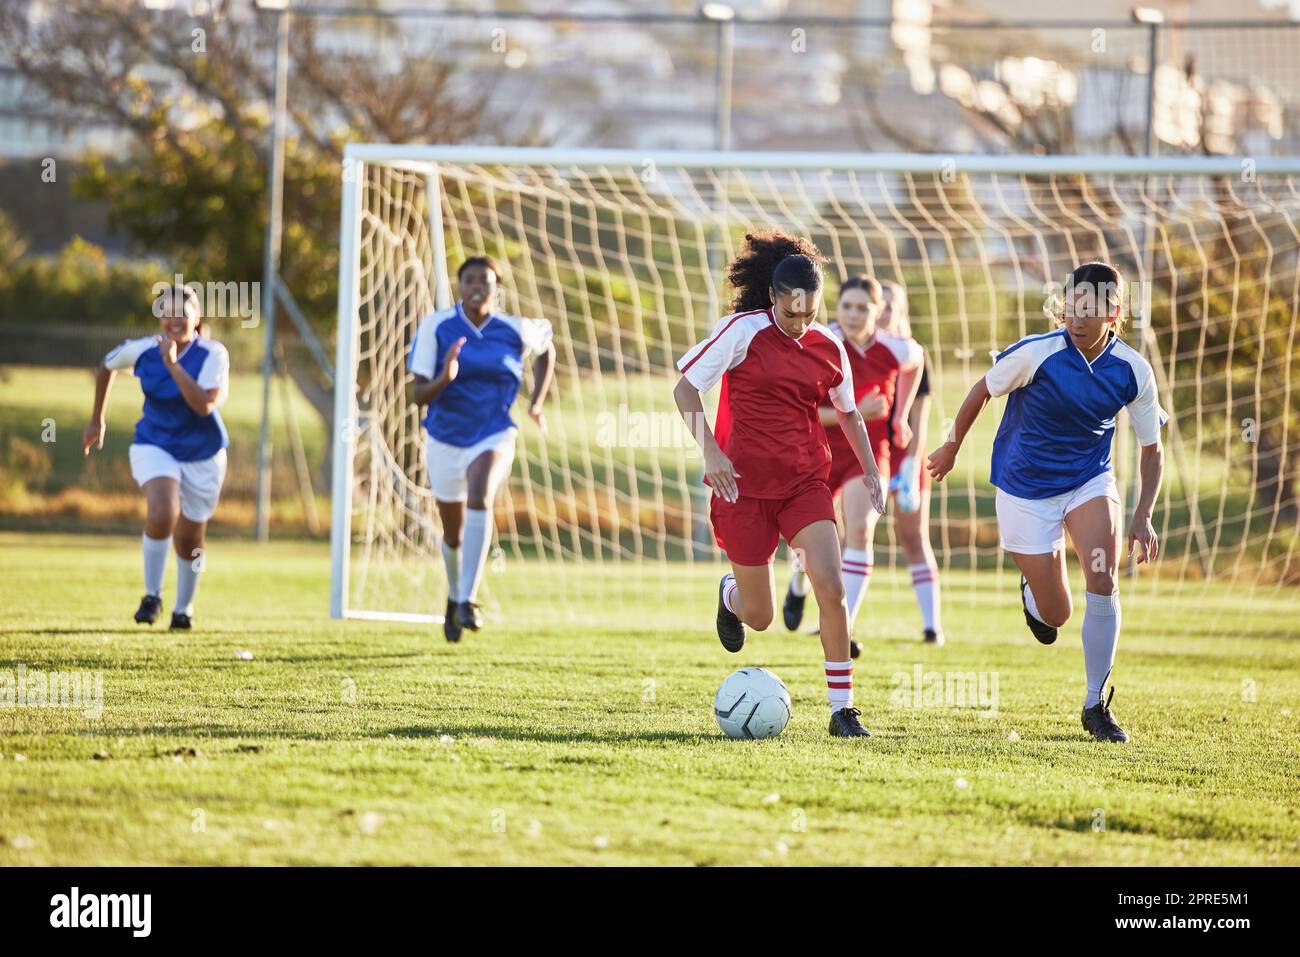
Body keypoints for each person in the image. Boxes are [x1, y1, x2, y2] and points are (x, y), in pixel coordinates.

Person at [926, 261, 1165, 742]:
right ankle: (1035, 592)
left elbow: (1151, 450)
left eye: (1089, 310)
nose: (1076, 319)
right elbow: (981, 391)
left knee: (1103, 574)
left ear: (1114, 313)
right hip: (1023, 490)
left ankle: (1095, 703)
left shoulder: (1134, 371)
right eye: (1070, 307)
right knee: (1057, 614)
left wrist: (1142, 516)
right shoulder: (1037, 353)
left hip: (1088, 482)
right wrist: (951, 445)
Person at [673, 231, 886, 739]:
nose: (800, 323)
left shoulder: (829, 346)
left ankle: (843, 710)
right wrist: (711, 450)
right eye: (791, 313)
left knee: (830, 588)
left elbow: (850, 414)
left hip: (803, 483)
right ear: (773, 297)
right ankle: (730, 598)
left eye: (809, 314)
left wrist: (872, 471)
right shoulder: (740, 332)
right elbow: (684, 389)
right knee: (762, 616)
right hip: (740, 488)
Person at [408, 256, 555, 642]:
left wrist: (535, 401)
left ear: (496, 287)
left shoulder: (513, 328)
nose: (477, 285)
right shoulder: (436, 327)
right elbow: (417, 393)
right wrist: (446, 376)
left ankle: (468, 600)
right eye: (469, 279)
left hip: (494, 432)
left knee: (481, 495)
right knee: (452, 534)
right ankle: (454, 597)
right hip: (444, 438)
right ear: (459, 285)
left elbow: (547, 348)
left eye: (485, 281)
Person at [781, 275, 921, 659]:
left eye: (864, 308)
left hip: (868, 453)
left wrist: (900, 416)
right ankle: (797, 582)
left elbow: (917, 360)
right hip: (820, 450)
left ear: (879, 311)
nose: (855, 314)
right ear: (837, 309)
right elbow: (802, 411)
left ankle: (846, 623)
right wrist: (857, 411)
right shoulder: (820, 343)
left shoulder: (895, 347)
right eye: (848, 307)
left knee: (859, 529)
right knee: (810, 540)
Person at [82, 284, 230, 630]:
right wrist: (96, 420)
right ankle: (152, 595)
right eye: (167, 313)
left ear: (197, 319)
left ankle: (183, 609)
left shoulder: (213, 354)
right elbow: (106, 367)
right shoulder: (143, 350)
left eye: (182, 312)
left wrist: (173, 365)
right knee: (163, 510)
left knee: (191, 540)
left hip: (203, 453)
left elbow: (203, 405)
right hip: (155, 443)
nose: (174, 319)